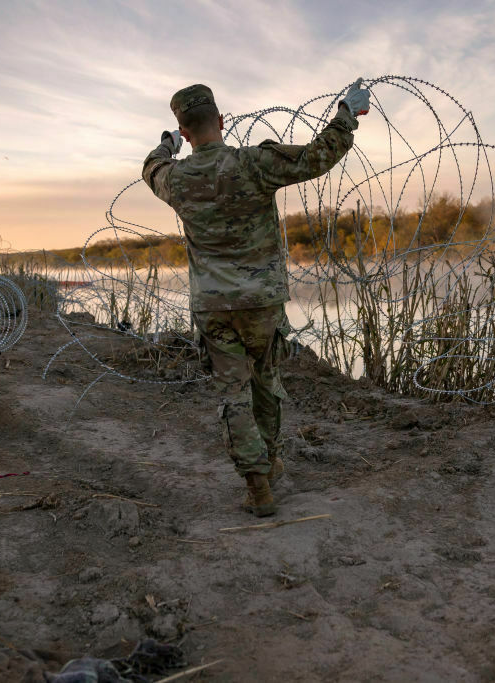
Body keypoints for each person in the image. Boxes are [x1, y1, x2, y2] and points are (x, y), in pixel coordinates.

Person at [142, 79, 370, 516]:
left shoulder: (176, 179)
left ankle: (257, 484)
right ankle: (270, 458)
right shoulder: (255, 164)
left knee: (233, 394)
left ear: (185, 132)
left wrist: (166, 144)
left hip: (213, 308)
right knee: (266, 383)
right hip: (261, 302)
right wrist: (346, 113)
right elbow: (319, 155)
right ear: (222, 122)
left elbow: (151, 166)